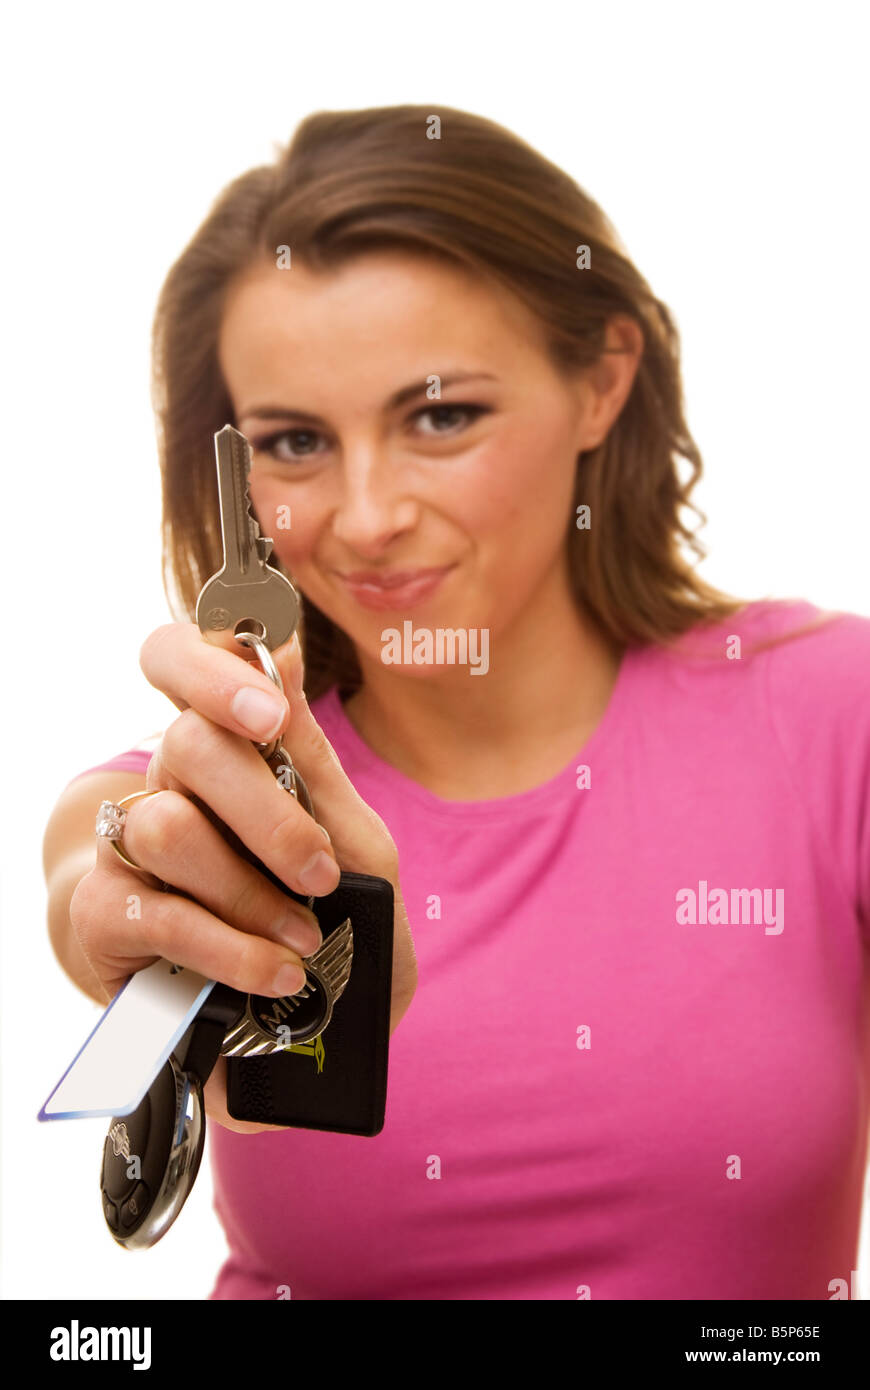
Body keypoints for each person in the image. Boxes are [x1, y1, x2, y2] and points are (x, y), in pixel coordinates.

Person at [43, 104, 870, 1301]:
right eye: (293, 442)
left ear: (601, 382)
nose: (368, 516)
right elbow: (97, 875)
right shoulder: (195, 791)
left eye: (440, 416)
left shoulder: (831, 712)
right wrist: (134, 913)